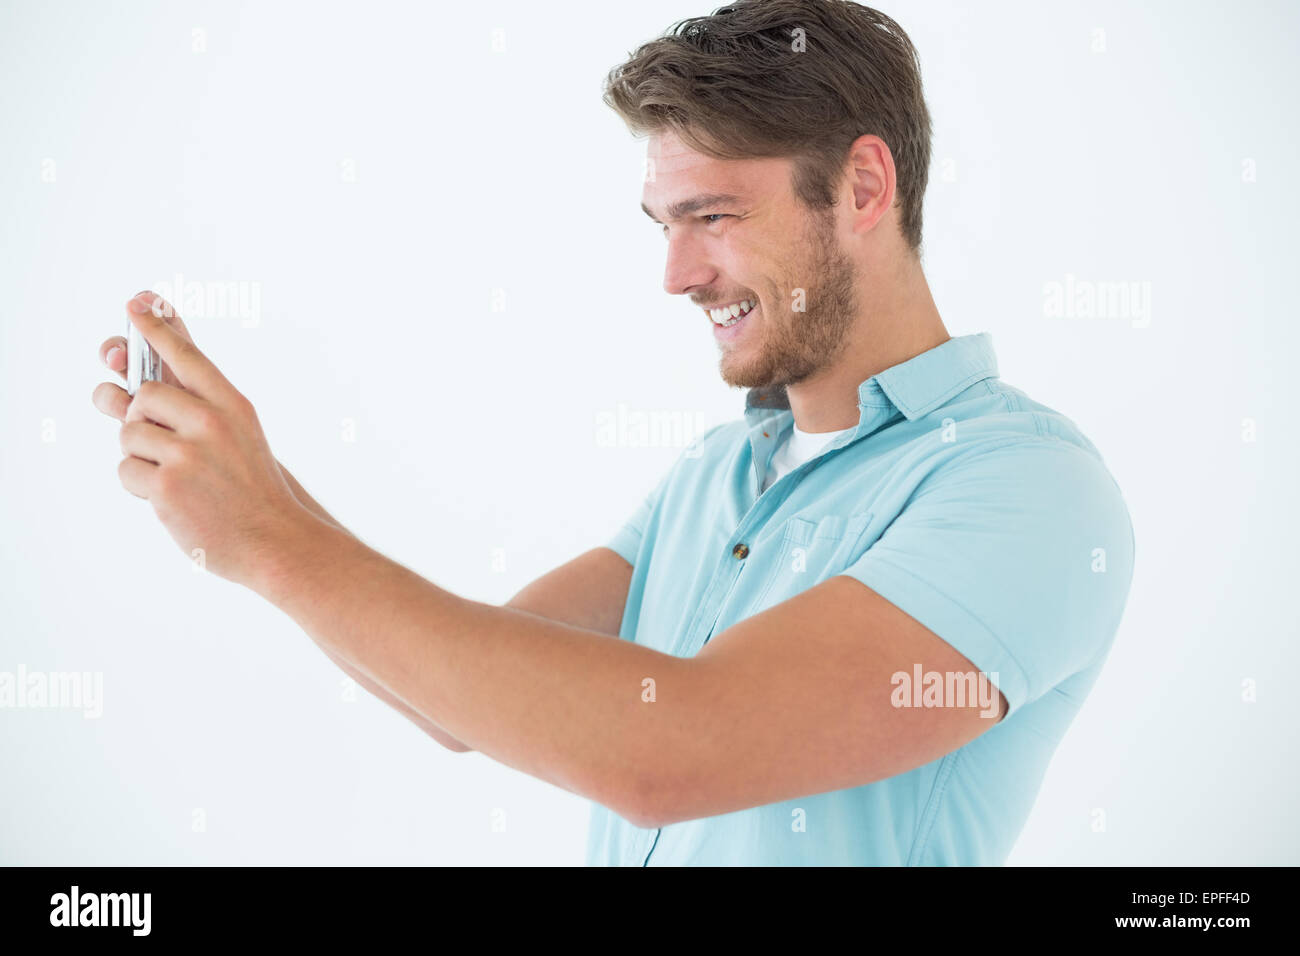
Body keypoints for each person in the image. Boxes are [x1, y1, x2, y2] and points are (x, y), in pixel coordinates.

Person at [92, 0, 1133, 866]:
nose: (675, 276)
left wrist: (273, 535)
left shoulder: (1026, 486)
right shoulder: (723, 471)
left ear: (863, 187)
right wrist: (247, 487)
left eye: (714, 216)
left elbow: (669, 750)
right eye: (664, 225)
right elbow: (458, 700)